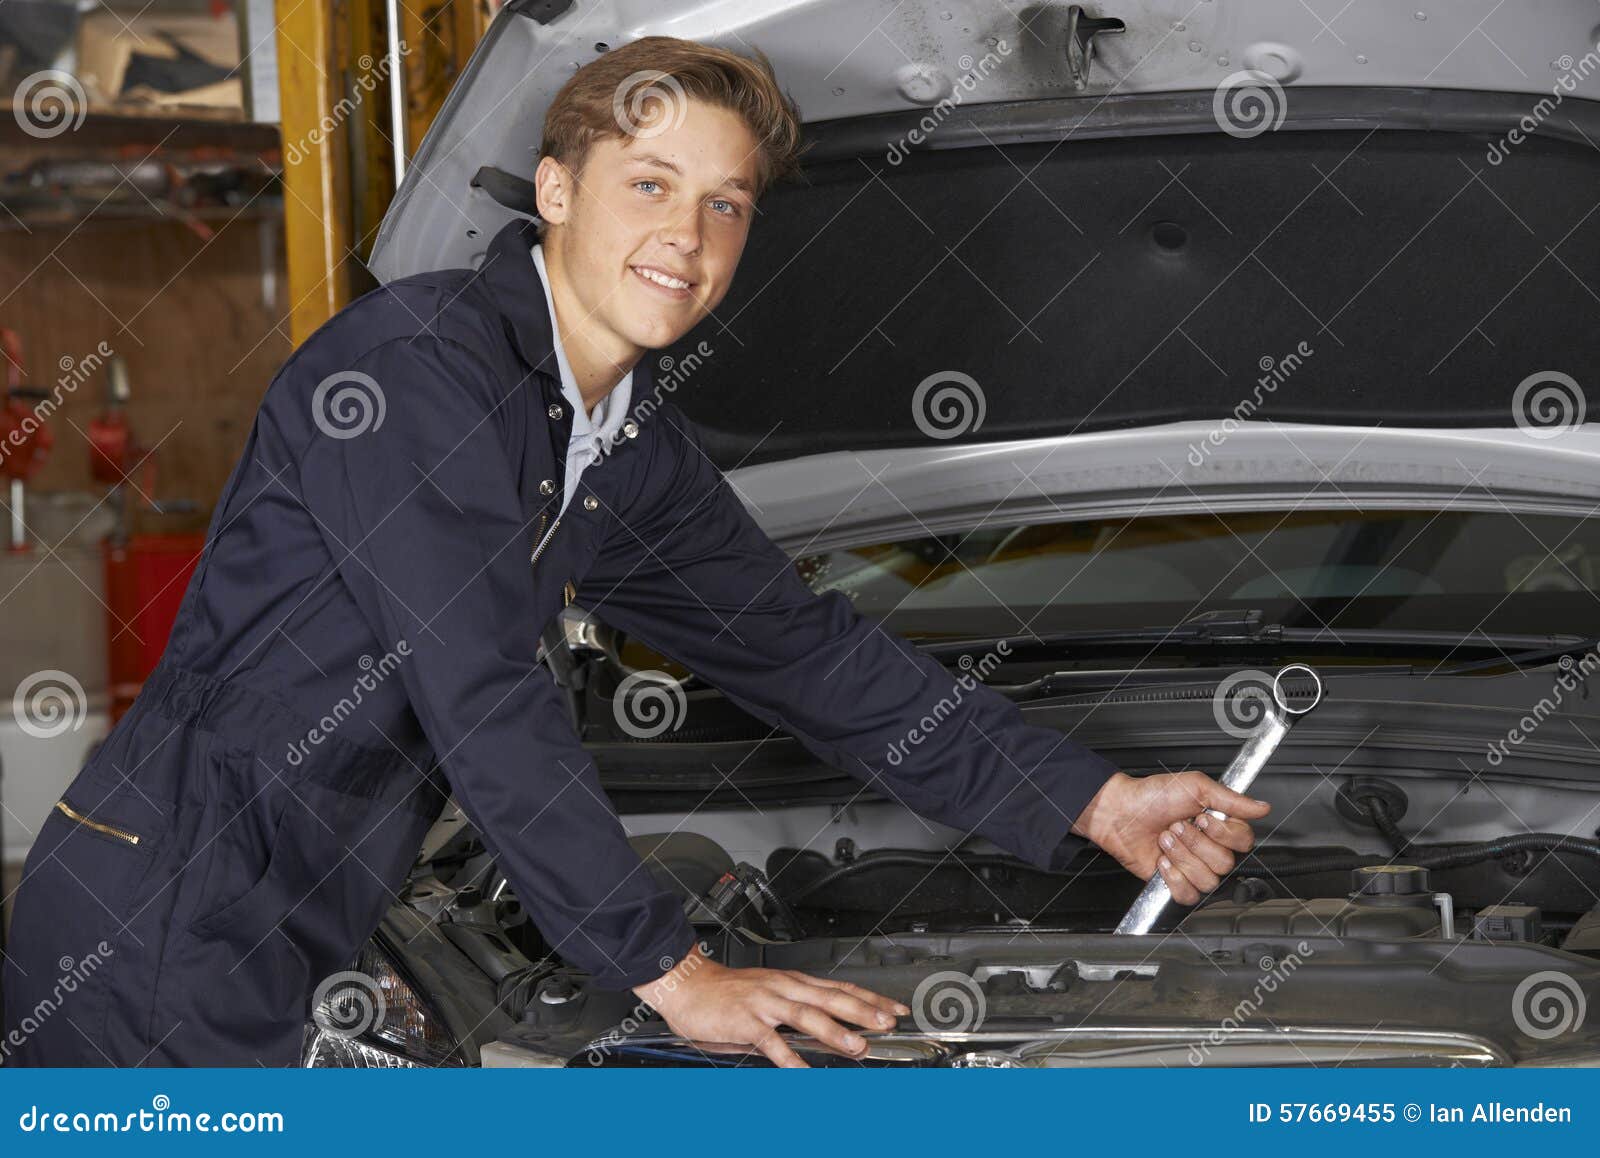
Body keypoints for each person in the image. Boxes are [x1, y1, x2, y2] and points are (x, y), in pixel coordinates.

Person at [2, 35, 1269, 1068]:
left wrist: (1087, 801)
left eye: (725, 204)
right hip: (160, 913)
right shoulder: (413, 375)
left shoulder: (620, 442)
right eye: (649, 184)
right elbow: (483, 690)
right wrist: (670, 970)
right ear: (555, 192)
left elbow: (803, 651)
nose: (689, 234)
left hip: (305, 905)